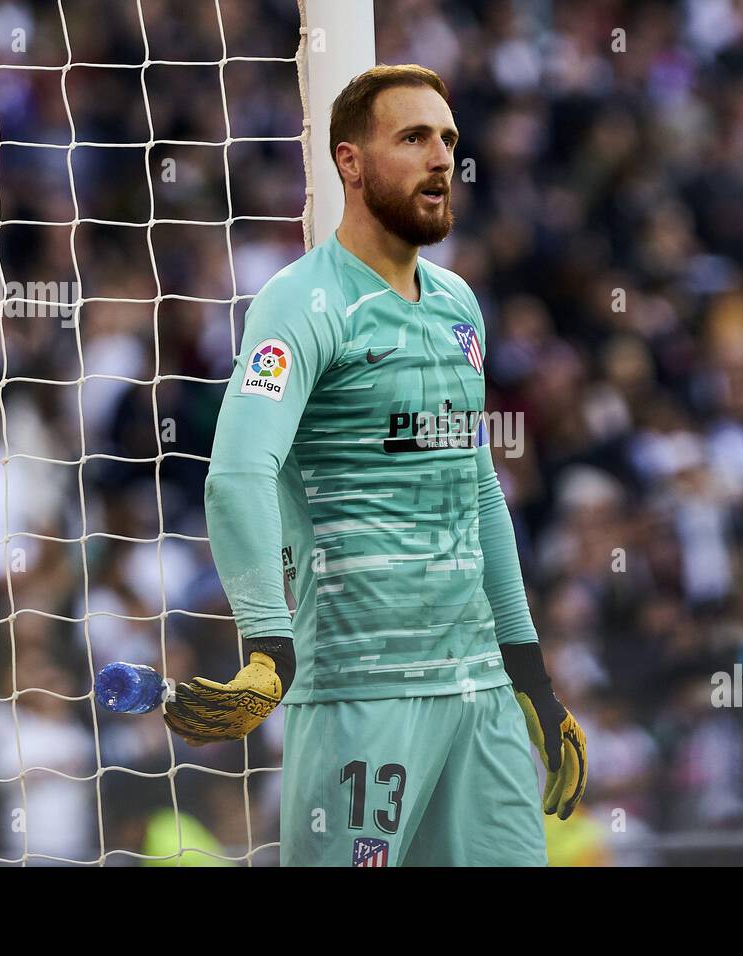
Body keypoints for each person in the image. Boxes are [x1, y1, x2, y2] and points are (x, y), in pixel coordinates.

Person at [161, 64, 587, 866]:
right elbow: (237, 475)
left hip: (480, 699)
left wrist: (531, 677)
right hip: (363, 693)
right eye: (415, 138)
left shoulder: (460, 305)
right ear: (349, 162)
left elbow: (480, 492)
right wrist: (266, 648)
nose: (441, 158)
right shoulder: (302, 302)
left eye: (449, 140)